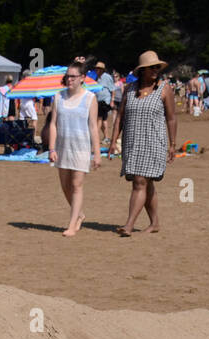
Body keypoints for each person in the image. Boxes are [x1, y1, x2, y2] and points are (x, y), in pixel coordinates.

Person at [111, 51, 176, 236]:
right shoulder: (130, 89)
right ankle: (154, 223)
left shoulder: (164, 89)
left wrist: (172, 144)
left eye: (157, 67)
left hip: (154, 142)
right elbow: (120, 117)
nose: (155, 70)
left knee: (140, 181)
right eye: (151, 67)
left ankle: (129, 225)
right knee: (146, 183)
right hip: (132, 142)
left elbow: (171, 119)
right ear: (142, 70)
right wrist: (114, 139)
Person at [47, 60, 101, 236]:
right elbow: (53, 124)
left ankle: (72, 224)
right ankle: (79, 215)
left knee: (77, 185)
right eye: (67, 76)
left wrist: (97, 153)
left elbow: (94, 127)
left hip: (81, 147)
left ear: (82, 78)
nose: (69, 79)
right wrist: (51, 148)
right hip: (62, 147)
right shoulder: (58, 96)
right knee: (65, 186)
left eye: (73, 76)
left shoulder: (90, 98)